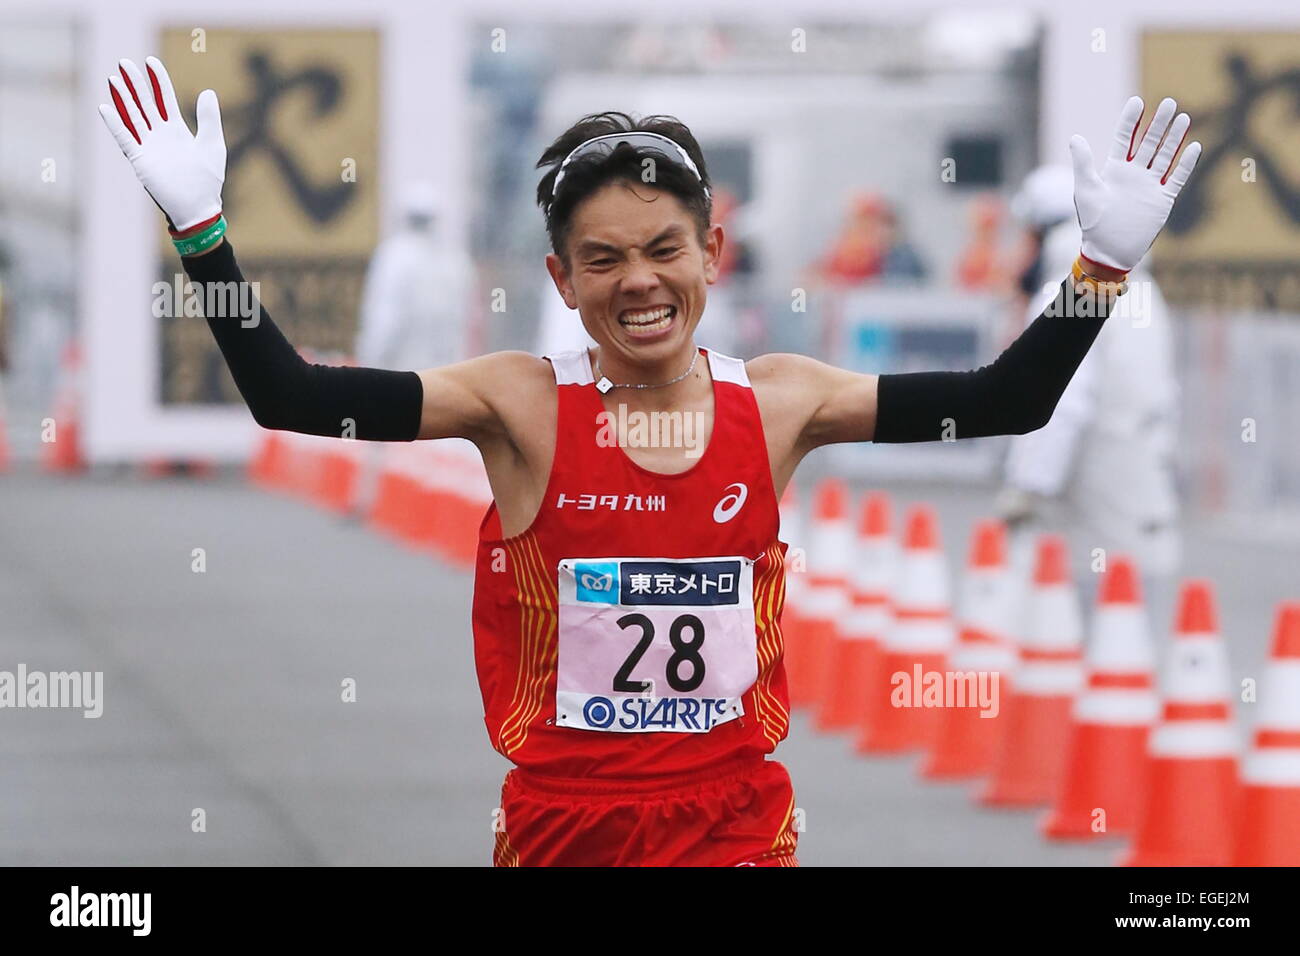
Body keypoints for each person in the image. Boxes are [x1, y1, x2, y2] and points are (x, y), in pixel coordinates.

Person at [100, 56, 1201, 867]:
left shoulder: (779, 401)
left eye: (664, 249)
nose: (640, 281)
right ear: (562, 277)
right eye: (604, 259)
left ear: (710, 253)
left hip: (731, 819)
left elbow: (1005, 399)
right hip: (562, 822)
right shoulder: (517, 403)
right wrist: (201, 229)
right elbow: (290, 393)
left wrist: (1100, 265)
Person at [998, 165, 1182, 627]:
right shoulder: (1141, 289)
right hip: (1144, 502)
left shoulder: (1070, 292)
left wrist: (1029, 487)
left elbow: (1057, 403)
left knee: (1058, 655)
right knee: (1131, 658)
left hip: (1085, 519)